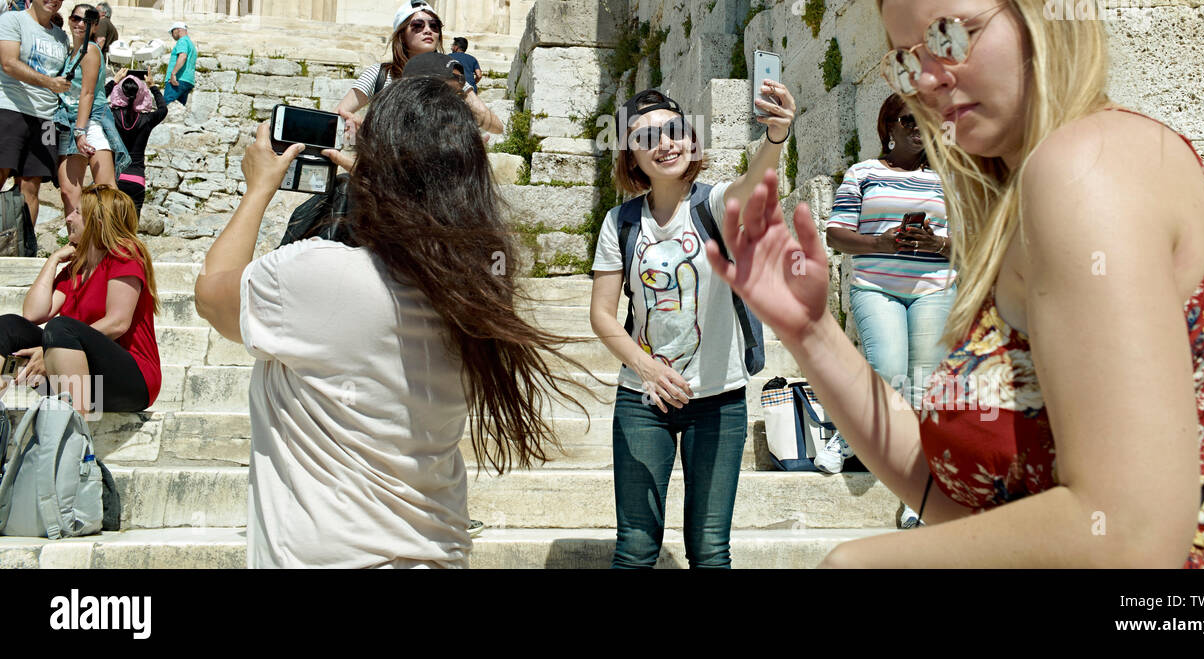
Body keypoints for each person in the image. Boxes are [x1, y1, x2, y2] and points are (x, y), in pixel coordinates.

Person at [703, 0, 1204, 568]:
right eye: (907, 63)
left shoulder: (1084, 168)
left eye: (951, 35)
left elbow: (1130, 535)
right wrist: (811, 331)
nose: (932, 80)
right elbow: (964, 507)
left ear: (1039, 13)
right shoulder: (1047, 187)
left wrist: (857, 562)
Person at [193, 75, 589, 568]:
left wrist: (259, 189)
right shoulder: (479, 290)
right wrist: (384, 184)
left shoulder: (318, 276)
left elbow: (212, 293)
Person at [588, 84, 795, 568]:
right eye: (646, 136)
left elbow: (754, 183)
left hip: (718, 399)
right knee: (636, 548)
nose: (665, 142)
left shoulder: (715, 205)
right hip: (642, 400)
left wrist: (777, 137)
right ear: (631, 157)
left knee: (709, 551)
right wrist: (647, 370)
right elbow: (601, 314)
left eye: (674, 130)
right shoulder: (619, 222)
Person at [820, 94, 956, 526]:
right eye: (908, 119)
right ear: (888, 126)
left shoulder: (946, 178)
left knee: (924, 386)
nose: (919, 127)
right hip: (876, 286)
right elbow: (836, 235)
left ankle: (917, 493)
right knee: (885, 366)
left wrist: (939, 244)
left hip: (935, 288)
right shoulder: (864, 173)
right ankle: (849, 437)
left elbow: (975, 241)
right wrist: (880, 242)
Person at [0, 185, 161, 417]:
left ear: (97, 220)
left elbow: (117, 323)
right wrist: (53, 260)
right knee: (9, 326)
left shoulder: (125, 255)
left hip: (132, 381)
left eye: (77, 212)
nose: (68, 217)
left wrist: (50, 351)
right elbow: (33, 314)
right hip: (77, 370)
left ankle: (74, 430)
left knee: (59, 327)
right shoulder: (76, 269)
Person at [0, 0, 72, 241]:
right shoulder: (12, 20)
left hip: (47, 120)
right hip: (10, 108)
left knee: (31, 187)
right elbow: (8, 63)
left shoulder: (61, 38)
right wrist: (48, 83)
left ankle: (21, 246)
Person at [336, 0, 445, 135]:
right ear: (402, 35)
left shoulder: (452, 78)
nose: (428, 30)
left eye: (434, 26)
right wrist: (355, 138)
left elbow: (480, 115)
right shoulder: (379, 74)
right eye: (418, 25)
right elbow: (337, 117)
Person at [54, 6, 121, 223]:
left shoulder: (90, 50)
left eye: (87, 20)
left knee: (106, 190)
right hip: (69, 121)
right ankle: (79, 245)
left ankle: (116, 245)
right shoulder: (71, 52)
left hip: (90, 121)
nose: (80, 23)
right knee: (68, 191)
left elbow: (88, 92)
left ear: (94, 25)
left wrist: (80, 131)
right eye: (76, 18)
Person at [107, 73, 167, 215]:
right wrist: (153, 86)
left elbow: (93, 103)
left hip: (115, 178)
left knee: (112, 228)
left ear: (119, 94)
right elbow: (163, 109)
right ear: (141, 95)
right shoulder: (147, 119)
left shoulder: (111, 115)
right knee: (131, 231)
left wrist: (113, 82)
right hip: (136, 179)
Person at [163, 23, 197, 106]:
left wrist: (173, 74)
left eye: (172, 32)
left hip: (178, 80)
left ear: (178, 30)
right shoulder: (190, 44)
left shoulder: (182, 41)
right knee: (179, 109)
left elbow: (183, 56)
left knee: (166, 107)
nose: (172, 35)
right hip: (188, 81)